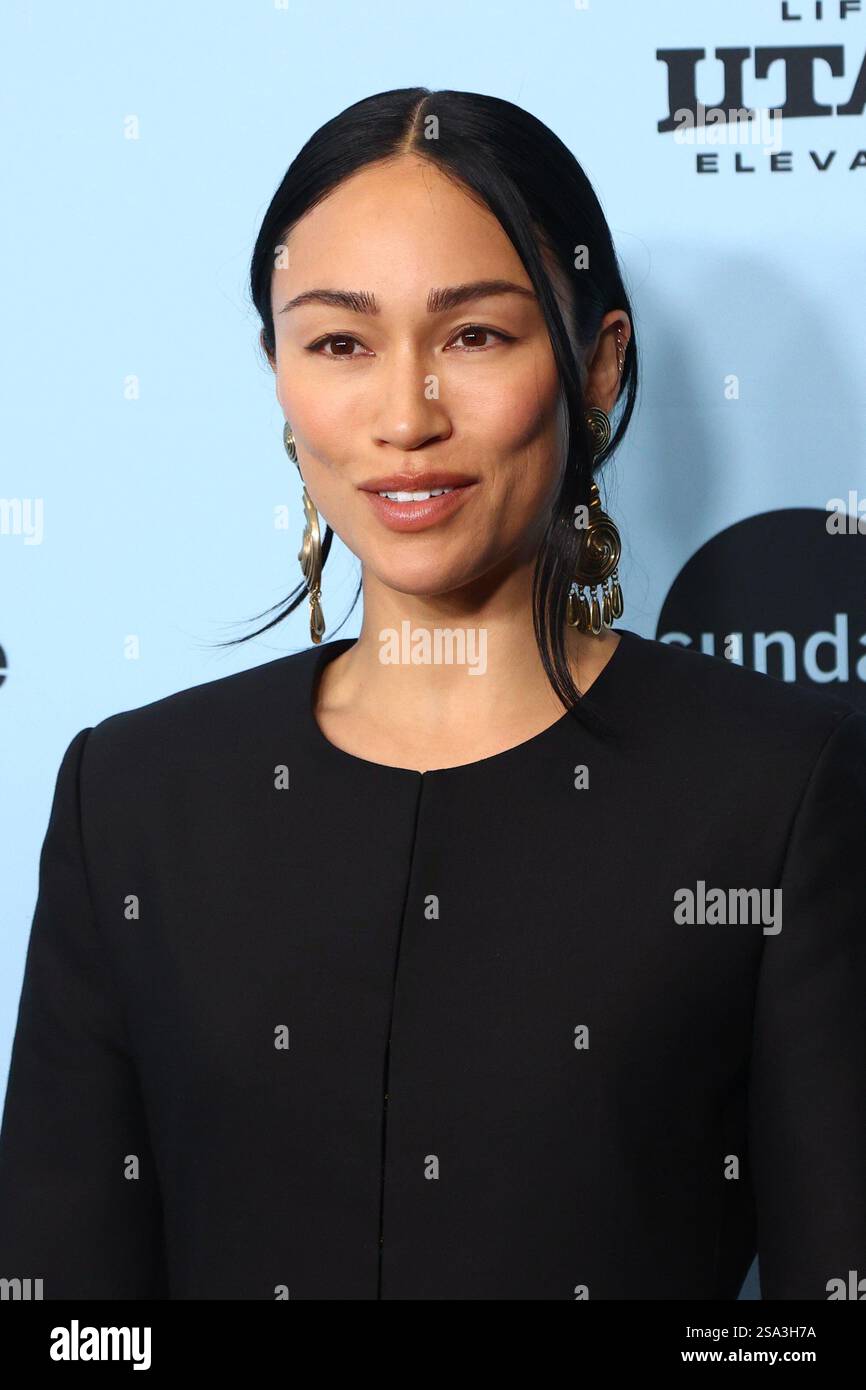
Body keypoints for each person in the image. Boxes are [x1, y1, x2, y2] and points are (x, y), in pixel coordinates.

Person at [0, 87, 864, 1301]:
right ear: (278, 375)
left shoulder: (774, 790)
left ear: (597, 361)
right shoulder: (133, 798)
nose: (403, 418)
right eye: (338, 343)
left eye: (473, 336)